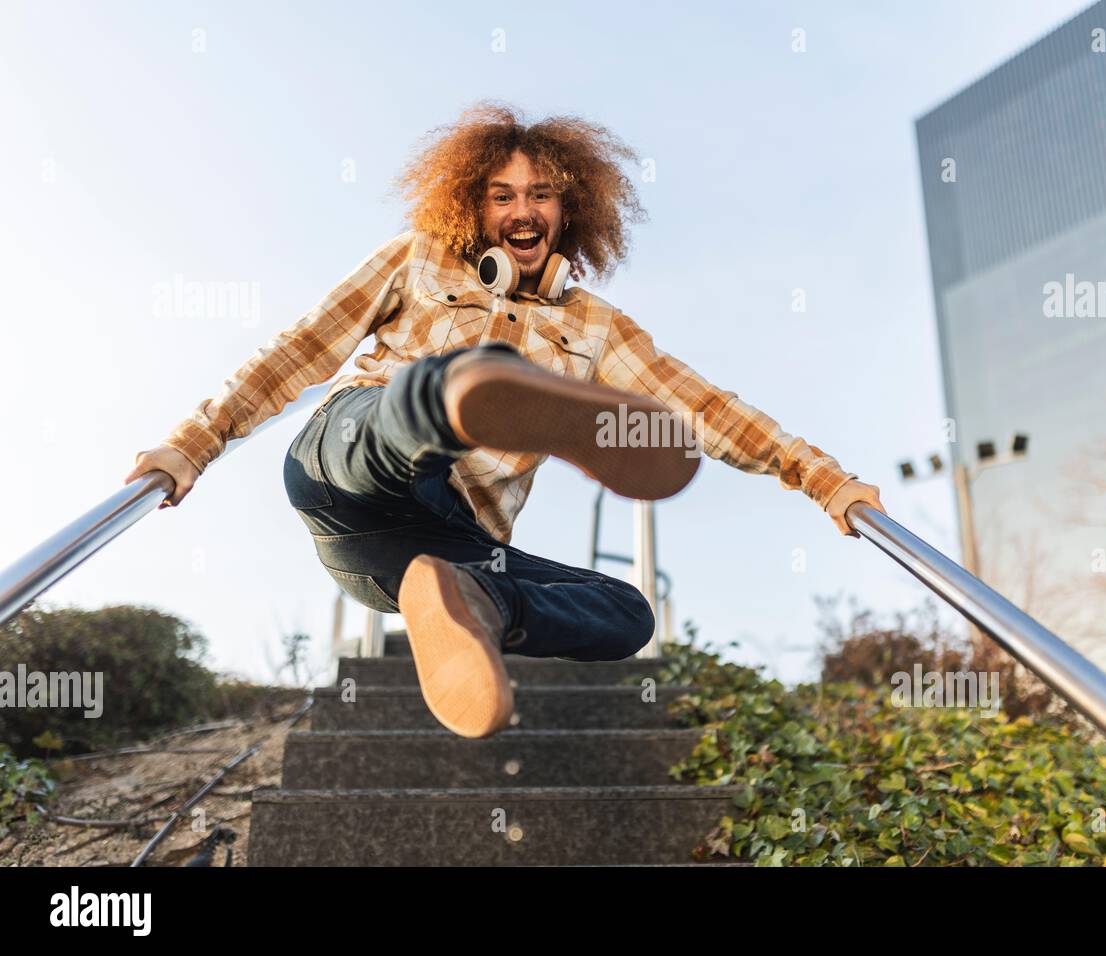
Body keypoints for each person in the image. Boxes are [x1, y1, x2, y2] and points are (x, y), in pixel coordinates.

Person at [123, 102, 886, 739]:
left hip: (434, 547)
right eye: (502, 194)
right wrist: (196, 440)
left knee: (623, 615)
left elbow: (704, 407)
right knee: (414, 403)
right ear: (471, 203)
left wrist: (822, 479)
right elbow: (300, 350)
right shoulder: (418, 259)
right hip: (350, 471)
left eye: (543, 194)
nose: (524, 210)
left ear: (569, 210)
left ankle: (472, 601)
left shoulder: (595, 326)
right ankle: (461, 397)